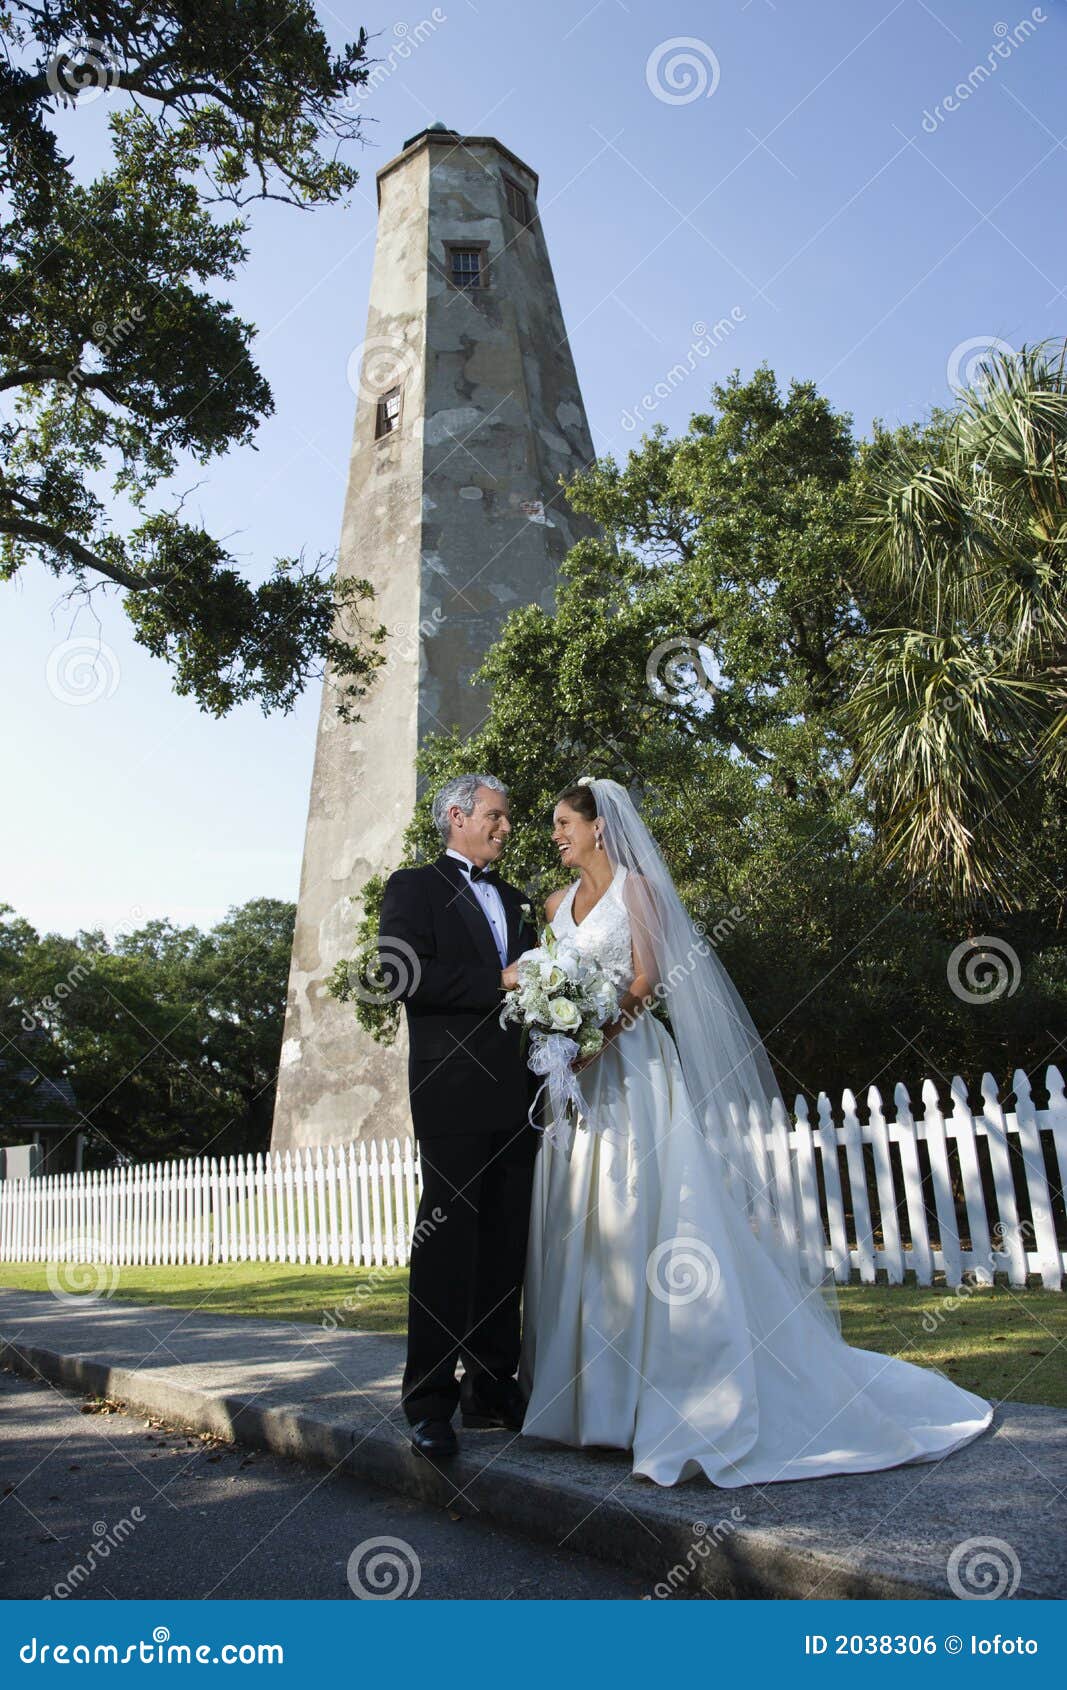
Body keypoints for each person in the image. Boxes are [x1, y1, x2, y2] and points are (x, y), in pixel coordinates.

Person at [519, 776, 994, 1487]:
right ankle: (586, 1406)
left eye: (562, 823)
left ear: (597, 827)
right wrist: (554, 1032)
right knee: (584, 1221)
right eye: (553, 824)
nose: (554, 835)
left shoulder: (637, 892)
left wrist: (597, 1034)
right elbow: (541, 978)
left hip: (635, 1068)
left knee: (649, 1212)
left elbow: (646, 979)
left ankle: (666, 1398)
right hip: (577, 1088)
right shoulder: (555, 906)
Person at [379, 773, 539, 1460]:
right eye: (496, 816)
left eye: (507, 818)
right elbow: (399, 976)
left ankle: (492, 1387)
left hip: (520, 1091)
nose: (506, 828)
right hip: (449, 1091)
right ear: (457, 816)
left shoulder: (516, 897)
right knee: (447, 1242)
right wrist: (499, 980)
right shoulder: (411, 888)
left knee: (507, 1241)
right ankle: (429, 1401)